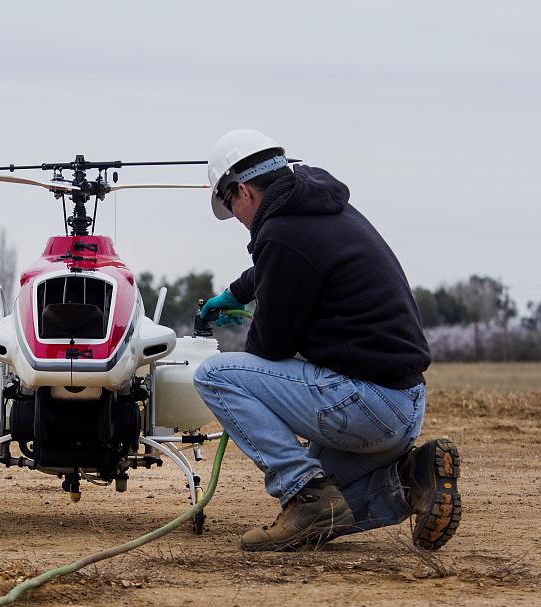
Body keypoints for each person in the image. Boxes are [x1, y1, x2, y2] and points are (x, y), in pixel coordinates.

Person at [193, 129, 461, 552]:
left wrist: (253, 319)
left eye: (230, 206)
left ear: (242, 191)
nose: (237, 219)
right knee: (327, 514)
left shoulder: (281, 233)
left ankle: (303, 493)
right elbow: (283, 265)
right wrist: (239, 292)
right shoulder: (318, 206)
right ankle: (411, 479)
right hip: (402, 406)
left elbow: (270, 348)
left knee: (216, 375)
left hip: (364, 405)